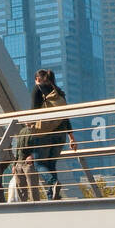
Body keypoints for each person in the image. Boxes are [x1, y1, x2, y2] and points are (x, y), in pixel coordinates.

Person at [28, 69, 78, 200]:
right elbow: (65, 117)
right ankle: (53, 197)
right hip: (60, 135)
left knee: (39, 163)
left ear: (38, 79)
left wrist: (28, 124)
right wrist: (71, 137)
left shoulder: (37, 89)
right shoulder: (59, 93)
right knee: (51, 165)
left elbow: (34, 111)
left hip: (44, 134)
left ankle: (53, 182)